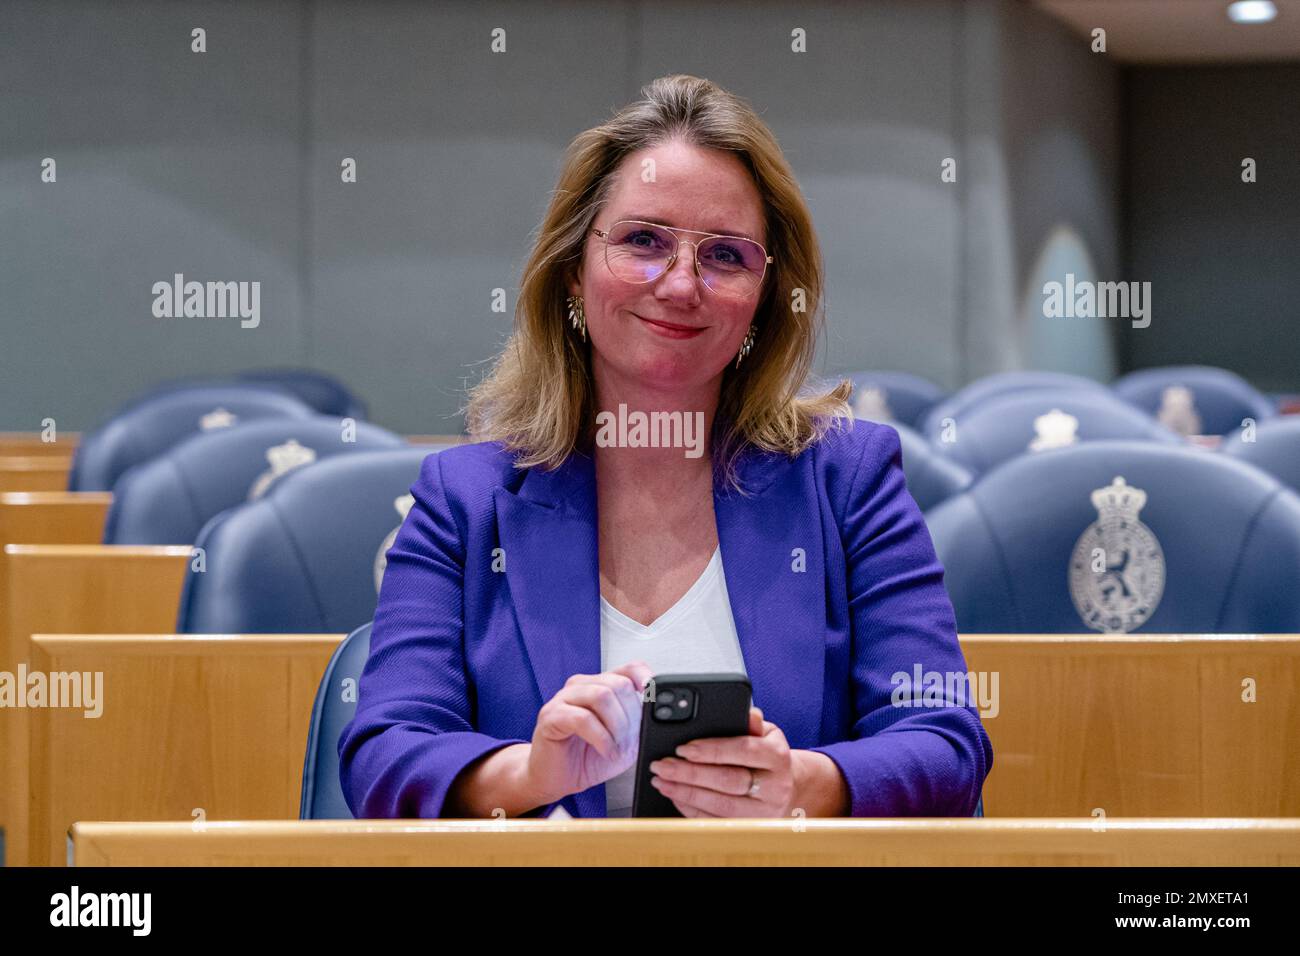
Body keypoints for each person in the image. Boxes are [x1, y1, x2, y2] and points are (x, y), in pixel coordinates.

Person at [338, 74, 992, 819]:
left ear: (764, 300)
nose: (681, 285)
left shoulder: (850, 481)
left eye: (725, 256)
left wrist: (801, 787)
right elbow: (383, 751)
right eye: (643, 240)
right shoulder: (464, 499)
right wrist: (526, 774)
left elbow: (946, 743)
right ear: (574, 276)